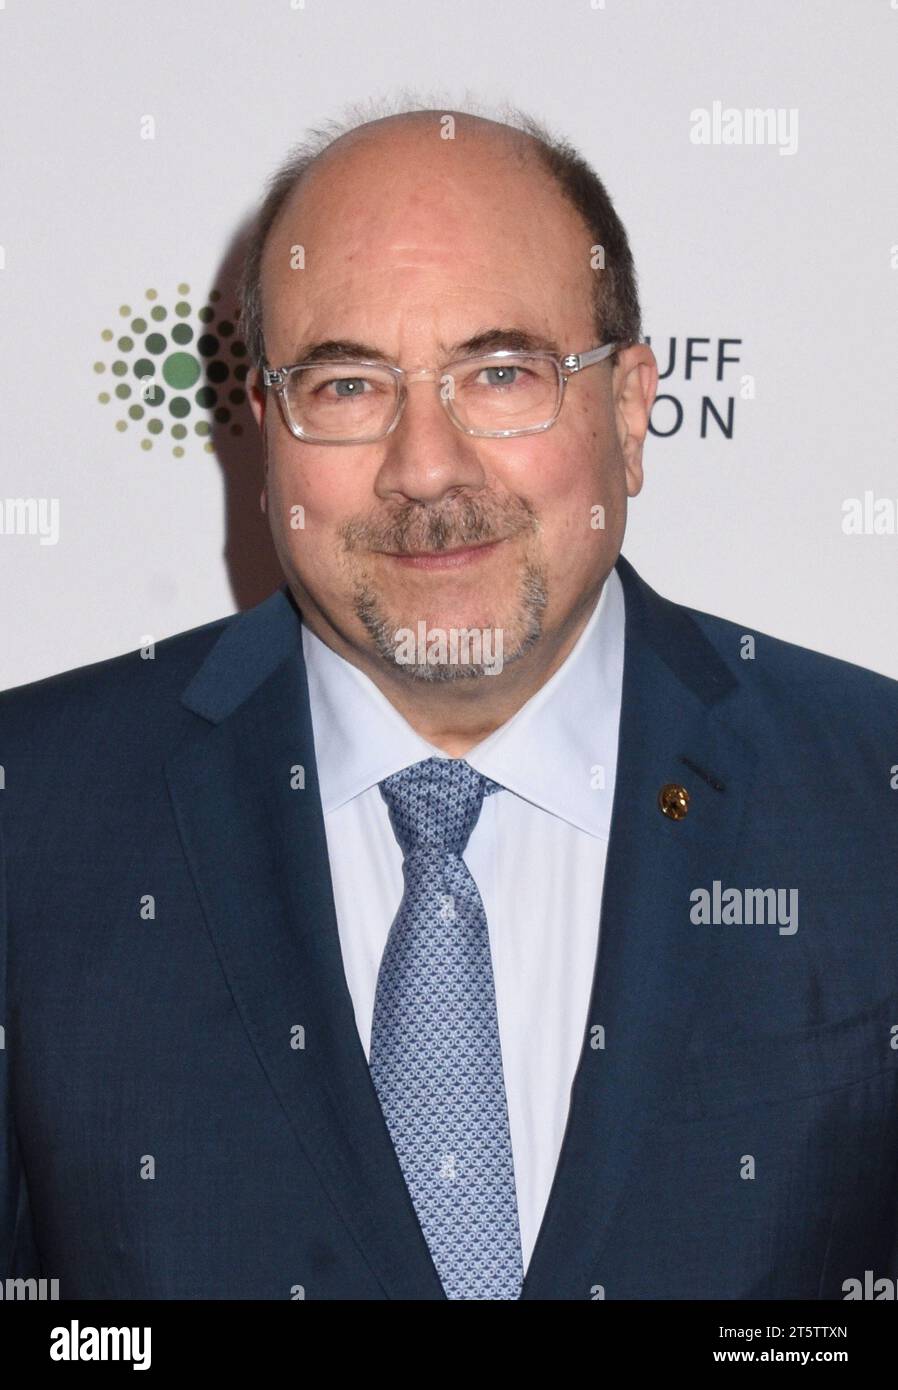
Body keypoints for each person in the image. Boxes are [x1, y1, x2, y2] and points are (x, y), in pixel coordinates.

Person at [2, 105, 897, 1301]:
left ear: (630, 409)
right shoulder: (32, 820)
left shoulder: (868, 799)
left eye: (502, 372)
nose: (425, 466)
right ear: (265, 431)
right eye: (347, 384)